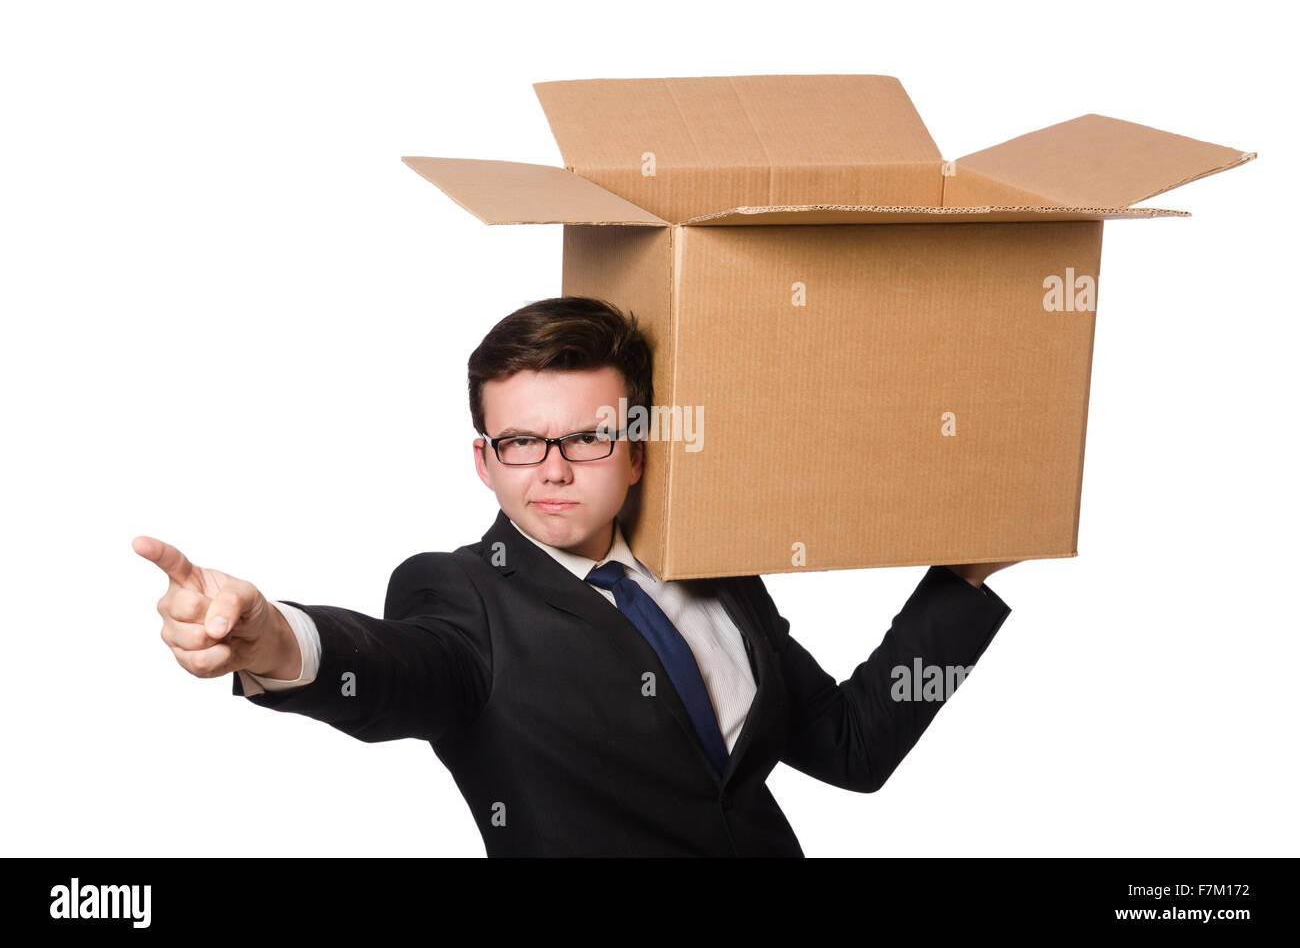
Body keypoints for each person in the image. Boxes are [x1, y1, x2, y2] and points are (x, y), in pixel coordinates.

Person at [135, 295, 1017, 857]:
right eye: (520, 441)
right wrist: (279, 641)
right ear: (484, 460)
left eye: (587, 436)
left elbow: (849, 749)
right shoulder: (458, 596)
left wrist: (962, 583)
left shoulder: (716, 571)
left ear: (636, 449)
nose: (551, 469)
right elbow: (396, 667)